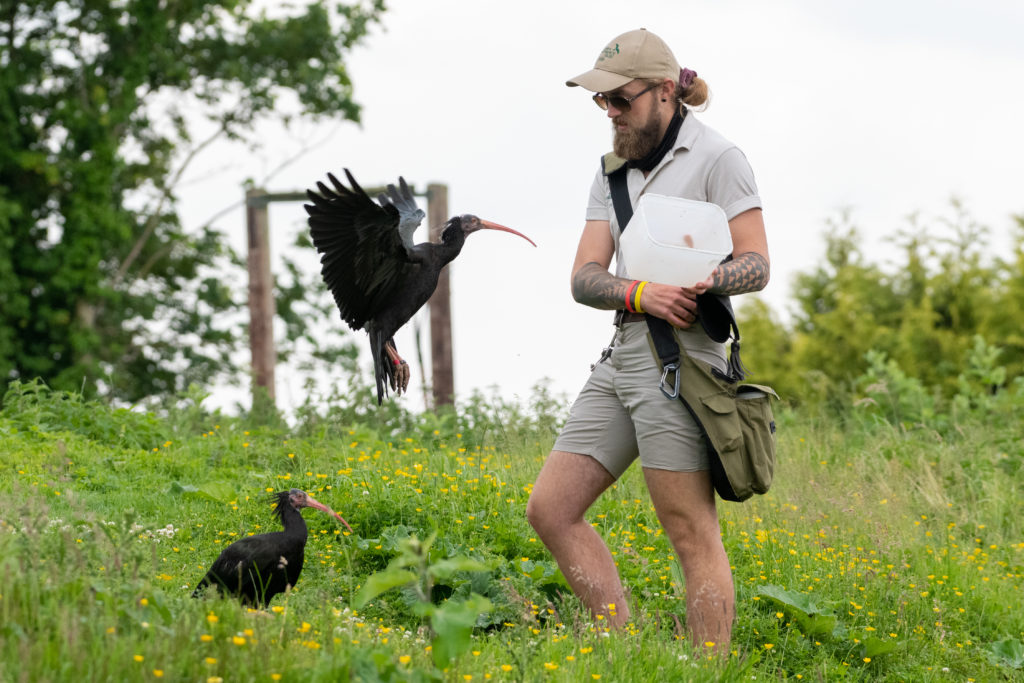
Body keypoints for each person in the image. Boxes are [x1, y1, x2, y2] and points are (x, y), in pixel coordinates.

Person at [525, 28, 769, 653]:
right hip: (624, 355)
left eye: (621, 99)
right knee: (551, 510)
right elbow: (584, 276)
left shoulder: (719, 158)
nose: (610, 113)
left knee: (689, 531)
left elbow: (759, 263)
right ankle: (621, 648)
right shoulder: (611, 173)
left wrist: (710, 278)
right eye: (601, 102)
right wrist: (639, 292)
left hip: (685, 359)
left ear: (665, 92)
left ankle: (706, 669)